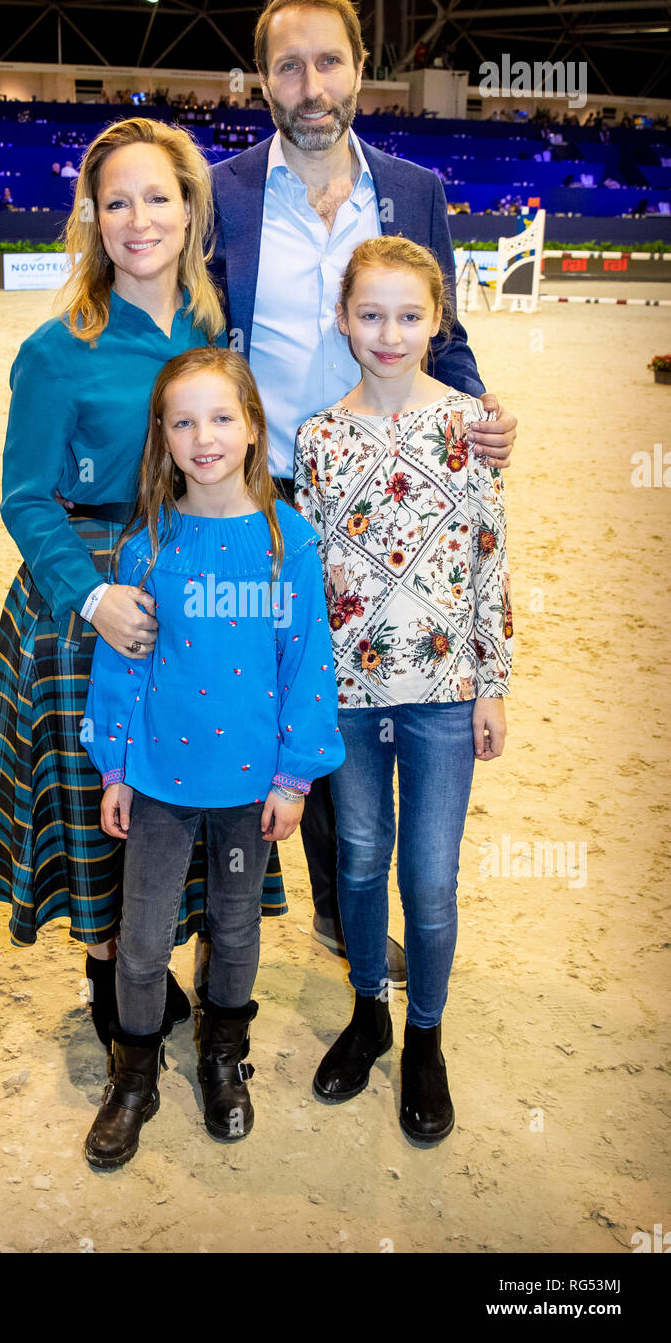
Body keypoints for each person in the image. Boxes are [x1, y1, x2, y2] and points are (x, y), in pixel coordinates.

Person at [208, 0, 517, 970]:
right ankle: (255, 914)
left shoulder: (415, 193)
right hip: (262, 498)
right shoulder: (222, 193)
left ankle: (343, 915)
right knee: (269, 702)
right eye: (287, 64)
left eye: (327, 60)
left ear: (358, 71)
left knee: (357, 708)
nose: (309, 83)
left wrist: (478, 416)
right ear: (262, 79)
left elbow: (447, 342)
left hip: (385, 499)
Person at [0, 118, 286, 1049]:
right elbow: (25, 500)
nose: (138, 219)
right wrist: (93, 597)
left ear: (192, 210)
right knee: (105, 803)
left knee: (189, 784)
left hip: (193, 577)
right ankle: (110, 976)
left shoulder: (214, 326)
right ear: (92, 218)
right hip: (87, 598)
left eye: (158, 197)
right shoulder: (56, 349)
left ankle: (161, 958)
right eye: (116, 201)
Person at [81, 347, 345, 1169]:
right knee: (146, 935)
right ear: (161, 435)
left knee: (235, 930)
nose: (205, 436)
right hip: (159, 782)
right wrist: (116, 770)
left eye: (222, 417)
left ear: (255, 428)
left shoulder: (288, 544)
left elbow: (308, 666)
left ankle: (223, 1056)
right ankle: (133, 1075)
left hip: (246, 790)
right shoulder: (147, 544)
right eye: (184, 420)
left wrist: (294, 778)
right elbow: (122, 667)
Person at [294, 234, 512, 1144]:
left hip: (444, 695)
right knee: (354, 860)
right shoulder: (317, 438)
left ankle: (425, 1036)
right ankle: (369, 1012)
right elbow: (306, 581)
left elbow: (490, 558)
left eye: (410, 316)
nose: (390, 333)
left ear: (437, 323)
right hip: (348, 694)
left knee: (428, 878)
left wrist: (493, 683)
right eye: (371, 315)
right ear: (343, 322)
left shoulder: (470, 427)